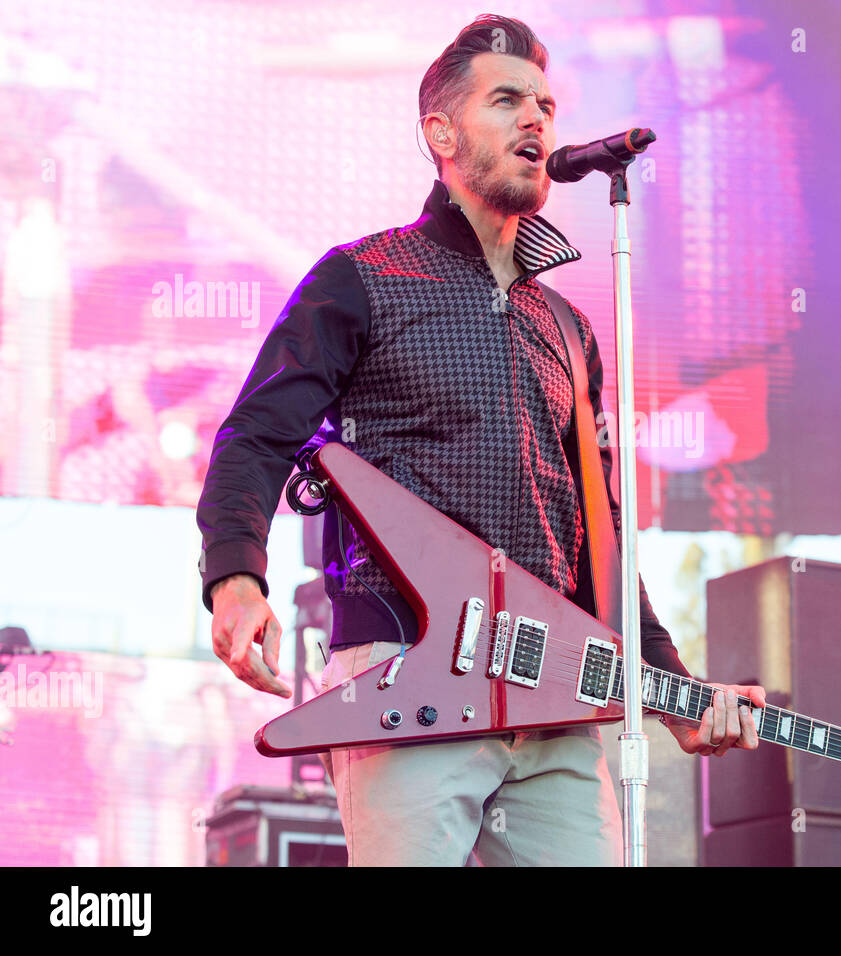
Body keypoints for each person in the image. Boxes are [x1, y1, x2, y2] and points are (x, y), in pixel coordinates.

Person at [197, 14, 764, 866]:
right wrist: (235, 577)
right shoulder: (364, 276)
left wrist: (671, 686)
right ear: (442, 132)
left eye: (544, 101)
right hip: (409, 670)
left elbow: (603, 537)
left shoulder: (570, 329)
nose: (537, 117)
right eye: (507, 101)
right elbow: (255, 434)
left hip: (559, 695)